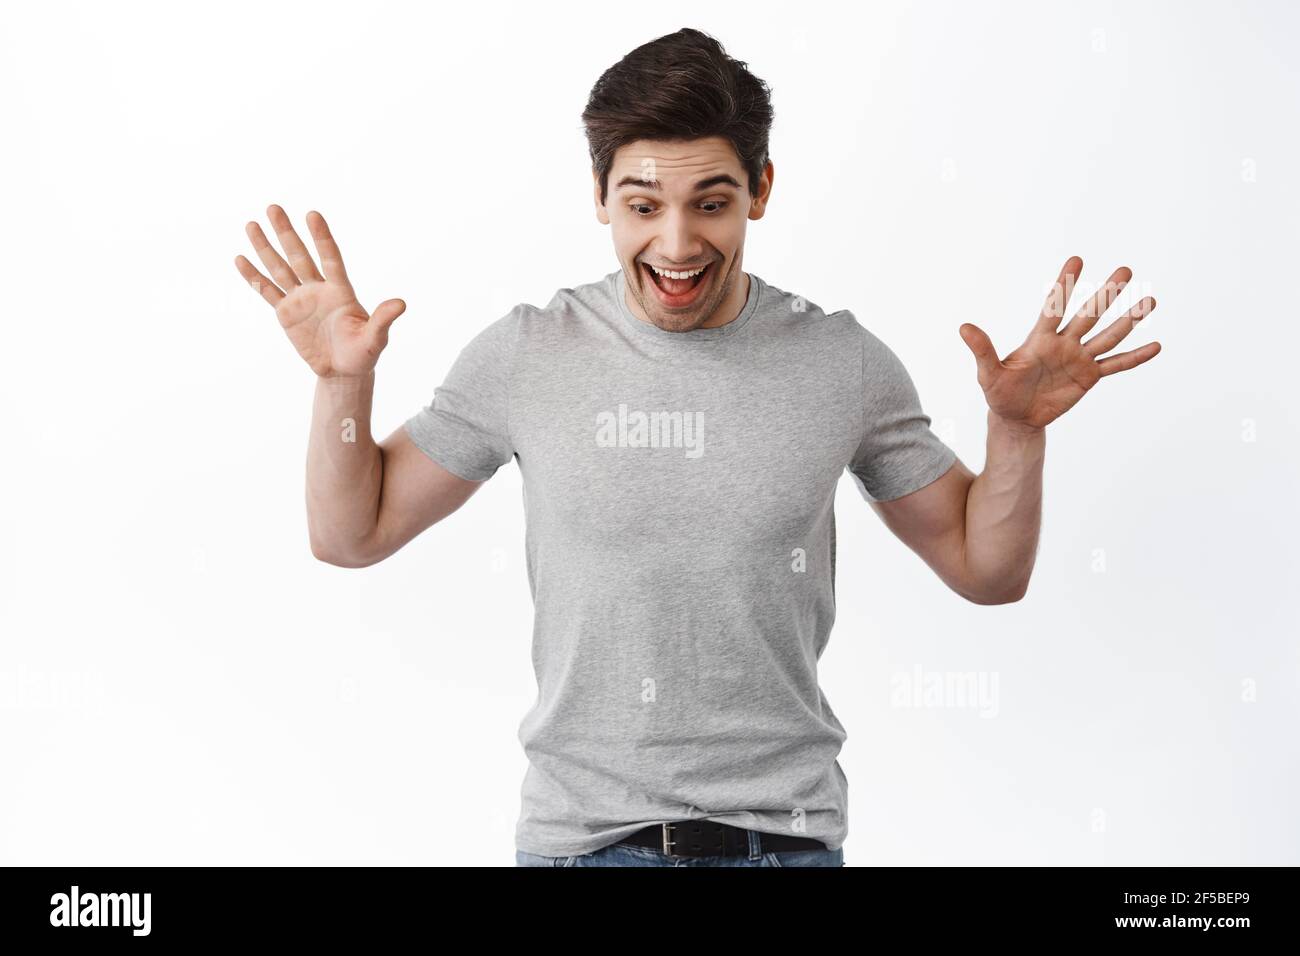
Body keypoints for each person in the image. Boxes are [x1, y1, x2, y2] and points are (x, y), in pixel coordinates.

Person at [233, 28, 1160, 868]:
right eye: (643, 205)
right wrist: (341, 385)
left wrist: (1016, 431)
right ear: (599, 196)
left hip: (784, 845)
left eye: (710, 203)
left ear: (760, 187)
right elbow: (350, 535)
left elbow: (987, 569)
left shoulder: (841, 362)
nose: (676, 244)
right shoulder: (528, 354)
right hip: (583, 847)